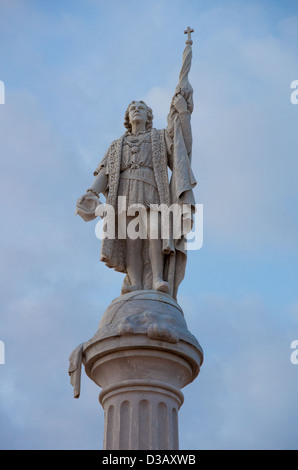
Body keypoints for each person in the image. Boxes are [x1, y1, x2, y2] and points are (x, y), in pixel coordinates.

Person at [77, 91, 196, 299]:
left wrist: (183, 112)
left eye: (141, 108)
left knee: (154, 233)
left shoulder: (159, 137)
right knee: (133, 240)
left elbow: (181, 147)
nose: (136, 111)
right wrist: (92, 191)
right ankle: (136, 282)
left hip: (152, 190)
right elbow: (105, 172)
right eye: (132, 109)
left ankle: (158, 278)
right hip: (125, 194)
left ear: (148, 116)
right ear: (127, 118)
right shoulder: (116, 145)